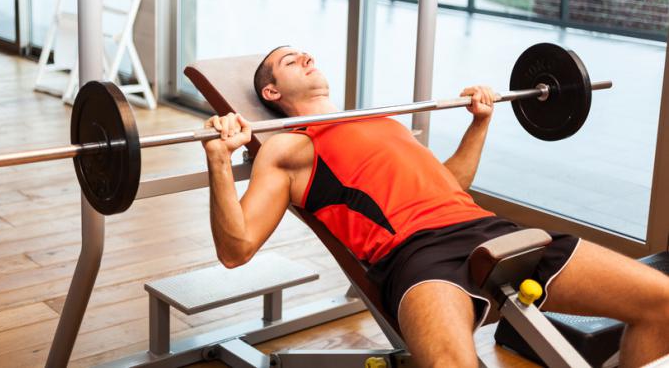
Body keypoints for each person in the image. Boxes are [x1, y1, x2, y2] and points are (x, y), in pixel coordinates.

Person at [201, 45, 669, 368]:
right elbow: (236, 248)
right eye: (289, 59)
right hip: (420, 259)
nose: (306, 57)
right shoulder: (288, 148)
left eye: (306, 53)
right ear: (271, 94)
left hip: (489, 228)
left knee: (662, 303)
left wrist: (480, 123)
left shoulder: (379, 121)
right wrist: (219, 159)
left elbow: (452, 184)